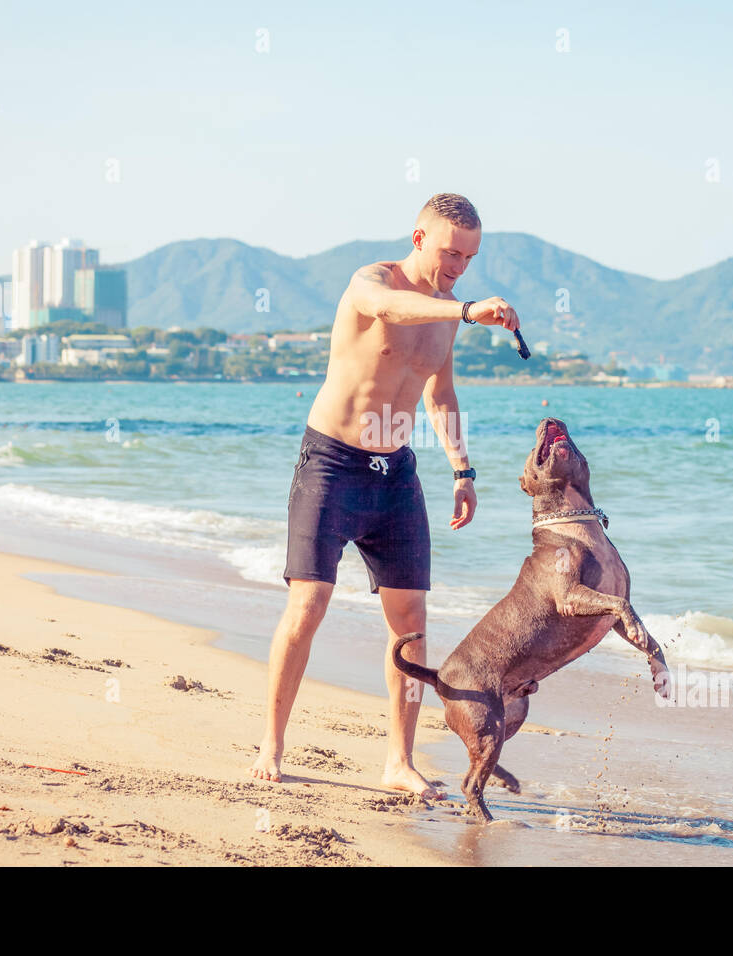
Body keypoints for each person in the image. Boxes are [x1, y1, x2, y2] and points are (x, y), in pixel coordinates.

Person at [248, 193, 521, 796]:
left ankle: (399, 760)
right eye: (451, 251)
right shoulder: (373, 282)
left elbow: (439, 394)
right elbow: (390, 307)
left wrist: (462, 470)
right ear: (420, 237)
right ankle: (272, 742)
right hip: (331, 464)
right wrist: (467, 310)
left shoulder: (450, 312)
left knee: (411, 626)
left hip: (395, 474)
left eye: (470, 257)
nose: (458, 266)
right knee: (310, 601)